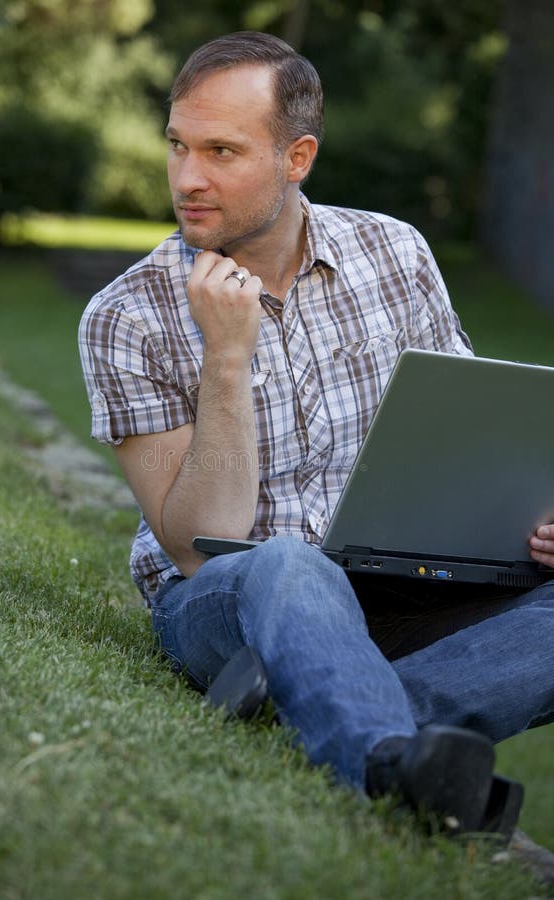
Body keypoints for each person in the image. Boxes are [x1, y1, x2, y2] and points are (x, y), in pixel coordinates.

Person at [79, 31, 554, 836]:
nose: (187, 179)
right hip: (232, 601)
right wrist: (226, 357)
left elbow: (467, 437)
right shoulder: (125, 316)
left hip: (408, 585)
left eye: (222, 151)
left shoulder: (395, 252)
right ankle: (384, 762)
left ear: (297, 157)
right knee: (290, 563)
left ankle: (319, 703)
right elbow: (201, 545)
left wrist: (536, 521)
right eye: (178, 147)